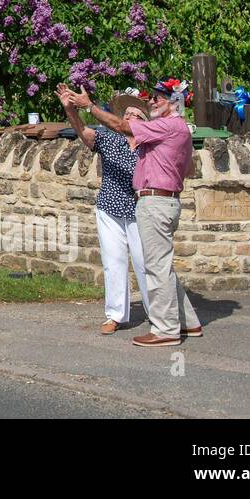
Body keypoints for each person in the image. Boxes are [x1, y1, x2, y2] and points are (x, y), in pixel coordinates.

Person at [61, 79, 203, 347]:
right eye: (152, 98)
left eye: (158, 99)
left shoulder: (163, 128)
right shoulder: (174, 132)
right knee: (156, 266)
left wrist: (89, 105)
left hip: (153, 202)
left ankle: (165, 329)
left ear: (175, 102)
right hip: (153, 201)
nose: (152, 102)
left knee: (154, 268)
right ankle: (188, 322)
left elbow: (122, 127)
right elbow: (188, 169)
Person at [57, 87, 152, 334]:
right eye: (127, 114)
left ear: (145, 123)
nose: (130, 117)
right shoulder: (111, 140)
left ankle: (157, 312)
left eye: (137, 115)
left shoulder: (150, 146)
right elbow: (84, 132)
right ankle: (115, 315)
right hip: (110, 207)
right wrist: (70, 110)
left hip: (140, 210)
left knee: (145, 263)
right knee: (114, 262)